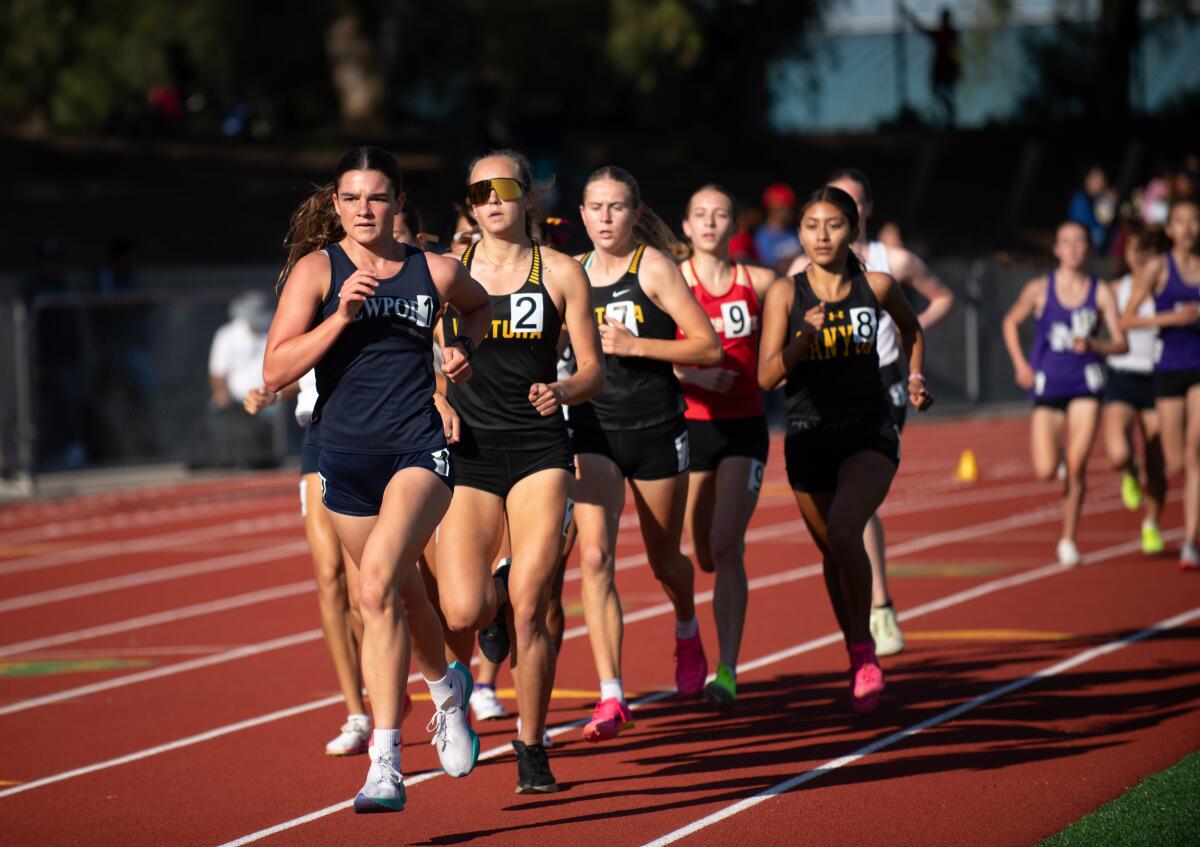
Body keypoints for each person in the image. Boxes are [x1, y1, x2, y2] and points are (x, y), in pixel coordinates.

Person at [262, 146, 493, 813]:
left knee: (373, 585)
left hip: (418, 450)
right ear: (336, 203)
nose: (365, 209)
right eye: (352, 197)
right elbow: (276, 371)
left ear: (398, 202)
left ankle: (385, 762)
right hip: (343, 459)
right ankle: (448, 693)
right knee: (405, 592)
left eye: (378, 197)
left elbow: (477, 309)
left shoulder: (434, 269)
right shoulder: (317, 270)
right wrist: (339, 316)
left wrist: (460, 350)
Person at [433, 149, 603, 793]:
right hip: (469, 452)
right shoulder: (446, 274)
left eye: (504, 188)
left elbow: (592, 369)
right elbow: (422, 363)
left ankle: (532, 746)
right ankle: (493, 611)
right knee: (463, 607)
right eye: (478, 193)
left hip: (538, 448)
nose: (491, 201)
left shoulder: (560, 272)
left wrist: (562, 392)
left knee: (535, 604)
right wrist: (441, 388)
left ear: (530, 197)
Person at [759, 185, 932, 714]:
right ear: (800, 233)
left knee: (843, 530)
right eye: (811, 226)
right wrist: (800, 344)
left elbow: (912, 328)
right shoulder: (785, 295)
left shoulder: (876, 286)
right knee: (833, 553)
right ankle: (857, 648)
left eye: (833, 224)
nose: (821, 235)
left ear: (852, 229)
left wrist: (917, 373)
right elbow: (766, 376)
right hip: (809, 436)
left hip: (869, 430)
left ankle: (864, 652)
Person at [570, 165, 722, 741]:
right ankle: (612, 694)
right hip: (594, 430)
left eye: (616, 208)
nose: (605, 218)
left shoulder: (653, 267)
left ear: (636, 214)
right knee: (595, 559)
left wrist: (637, 345)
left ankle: (686, 624)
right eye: (595, 207)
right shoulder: (571, 272)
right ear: (580, 215)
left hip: (656, 428)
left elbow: (706, 346)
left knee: (666, 561)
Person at [787, 167, 955, 657]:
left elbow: (938, 299)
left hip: (880, 382)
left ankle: (879, 607)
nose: (835, 219)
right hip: (817, 402)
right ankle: (865, 616)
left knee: (854, 507)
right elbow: (775, 353)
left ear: (864, 212)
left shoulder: (889, 263)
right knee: (839, 527)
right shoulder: (799, 273)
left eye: (850, 205)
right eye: (823, 214)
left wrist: (911, 351)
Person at [675, 185, 774, 708]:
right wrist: (688, 374)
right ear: (686, 226)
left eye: (720, 214)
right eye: (700, 215)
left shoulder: (760, 282)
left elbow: (793, 326)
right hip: (690, 428)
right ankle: (691, 631)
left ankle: (727, 670)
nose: (710, 222)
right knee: (702, 554)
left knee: (727, 545)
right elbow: (641, 354)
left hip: (744, 426)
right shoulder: (671, 282)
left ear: (733, 225)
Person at [1003, 221, 1128, 567]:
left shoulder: (1101, 293)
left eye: (1079, 242)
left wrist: (1095, 344)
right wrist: (1020, 365)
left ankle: (1068, 539)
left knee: (1076, 466)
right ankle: (1055, 457)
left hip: (1086, 385)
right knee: (1046, 469)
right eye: (1066, 242)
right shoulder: (1040, 289)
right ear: (1056, 249)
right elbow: (1009, 322)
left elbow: (1121, 342)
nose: (1072, 248)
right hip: (1048, 386)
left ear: (1087, 248)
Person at [1123, 199, 1200, 570]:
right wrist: (1173, 318)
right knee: (1174, 464)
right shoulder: (1158, 268)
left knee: (1195, 449)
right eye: (1180, 222)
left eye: (1193, 221)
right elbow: (1126, 319)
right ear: (1170, 229)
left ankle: (1189, 541)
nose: (1187, 228)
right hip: (1169, 367)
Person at [1106, 224, 1170, 554]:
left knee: (1159, 463)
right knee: (1118, 452)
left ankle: (1152, 524)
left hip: (1158, 377)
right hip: (1123, 376)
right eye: (1133, 249)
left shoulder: (1165, 287)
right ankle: (1130, 472)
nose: (1139, 256)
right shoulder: (1116, 290)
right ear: (1125, 254)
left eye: (1145, 249)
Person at [207, 291, 277, 468]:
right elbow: (217, 373)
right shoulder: (226, 335)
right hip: (236, 400)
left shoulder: (270, 332)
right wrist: (223, 397)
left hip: (267, 397)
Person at [901, 5, 961, 125]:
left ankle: (950, 117)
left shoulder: (948, 34)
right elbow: (922, 29)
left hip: (945, 69)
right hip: (943, 69)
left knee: (943, 93)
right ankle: (949, 117)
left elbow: (923, 29)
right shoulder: (949, 34)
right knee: (941, 93)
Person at [754, 184, 802, 274]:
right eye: (785, 208)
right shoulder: (762, 236)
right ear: (773, 208)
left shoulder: (794, 231)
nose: (790, 212)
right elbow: (768, 266)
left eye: (791, 208)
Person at [1068, 166, 1118, 250]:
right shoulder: (1079, 199)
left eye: (1102, 179)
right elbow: (1095, 232)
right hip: (1084, 245)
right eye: (1095, 178)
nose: (1099, 183)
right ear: (1087, 179)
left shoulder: (1101, 199)